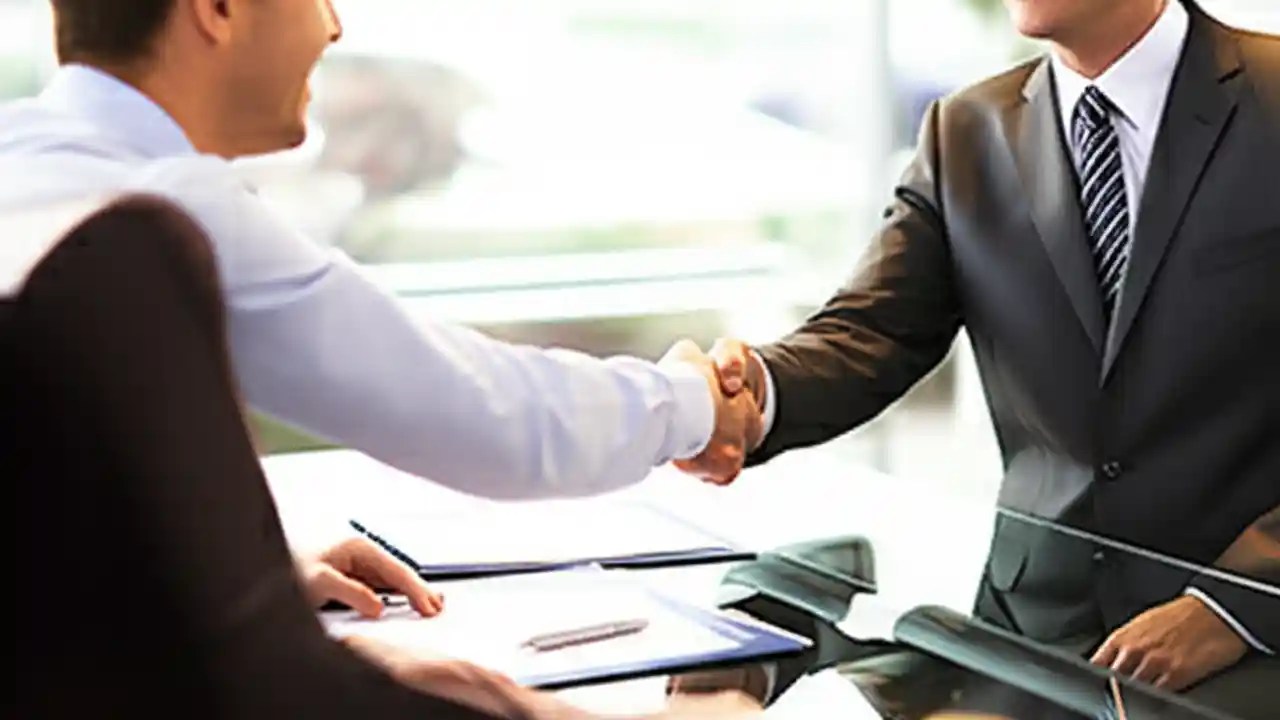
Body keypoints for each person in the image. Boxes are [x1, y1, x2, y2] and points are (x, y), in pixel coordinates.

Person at [679, 0, 1279, 715]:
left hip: (1245, 653)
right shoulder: (965, 130)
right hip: (1024, 647)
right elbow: (873, 331)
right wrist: (752, 392)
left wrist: (1236, 606)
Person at [7, 195, 760, 719]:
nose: (330, 26)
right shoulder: (141, 238)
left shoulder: (44, 189)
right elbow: (474, 405)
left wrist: (231, 573)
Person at [0, 0, 761, 501]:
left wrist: (268, 571)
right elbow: (483, 412)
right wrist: (690, 401)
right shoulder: (168, 211)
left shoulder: (22, 158)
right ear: (219, 9)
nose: (334, 28)